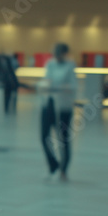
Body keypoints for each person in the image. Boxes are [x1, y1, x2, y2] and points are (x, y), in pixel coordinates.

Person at [38, 42, 76, 181]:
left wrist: (58, 88)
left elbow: (72, 86)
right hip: (49, 104)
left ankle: (64, 169)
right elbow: (47, 80)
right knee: (44, 136)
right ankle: (53, 165)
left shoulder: (70, 65)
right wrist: (46, 86)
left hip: (63, 107)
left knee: (63, 138)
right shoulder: (50, 64)